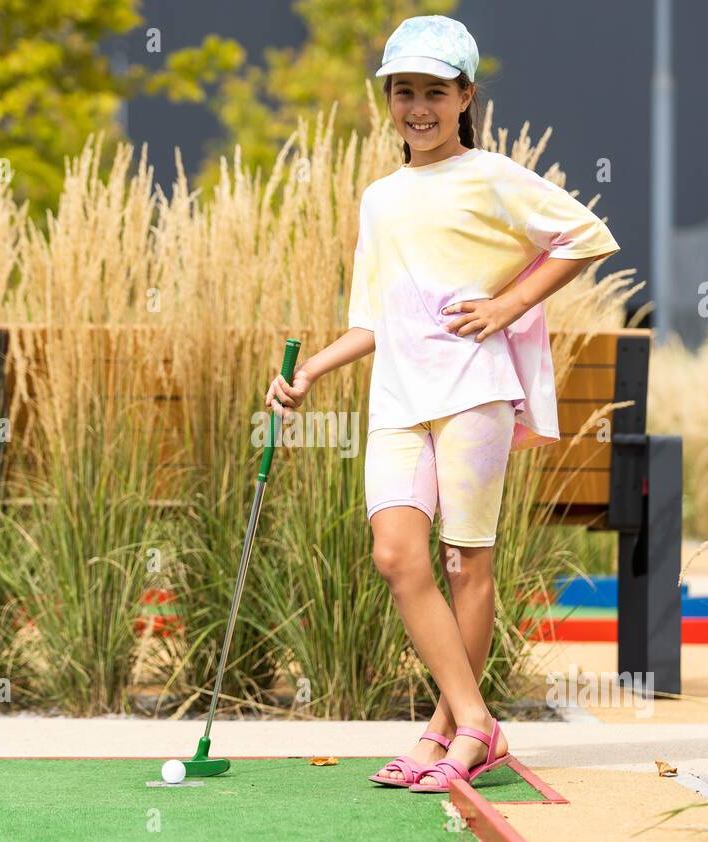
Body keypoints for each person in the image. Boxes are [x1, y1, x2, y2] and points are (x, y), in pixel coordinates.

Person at [264, 14, 620, 792]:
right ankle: (477, 722)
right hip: (397, 401)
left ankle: (447, 731)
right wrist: (311, 372)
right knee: (396, 555)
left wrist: (507, 305)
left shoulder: (490, 175)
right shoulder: (380, 198)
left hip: (472, 393)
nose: (417, 107)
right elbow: (372, 319)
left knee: (466, 562)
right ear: (386, 99)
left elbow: (587, 236)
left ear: (465, 96)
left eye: (434, 91)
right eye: (403, 92)